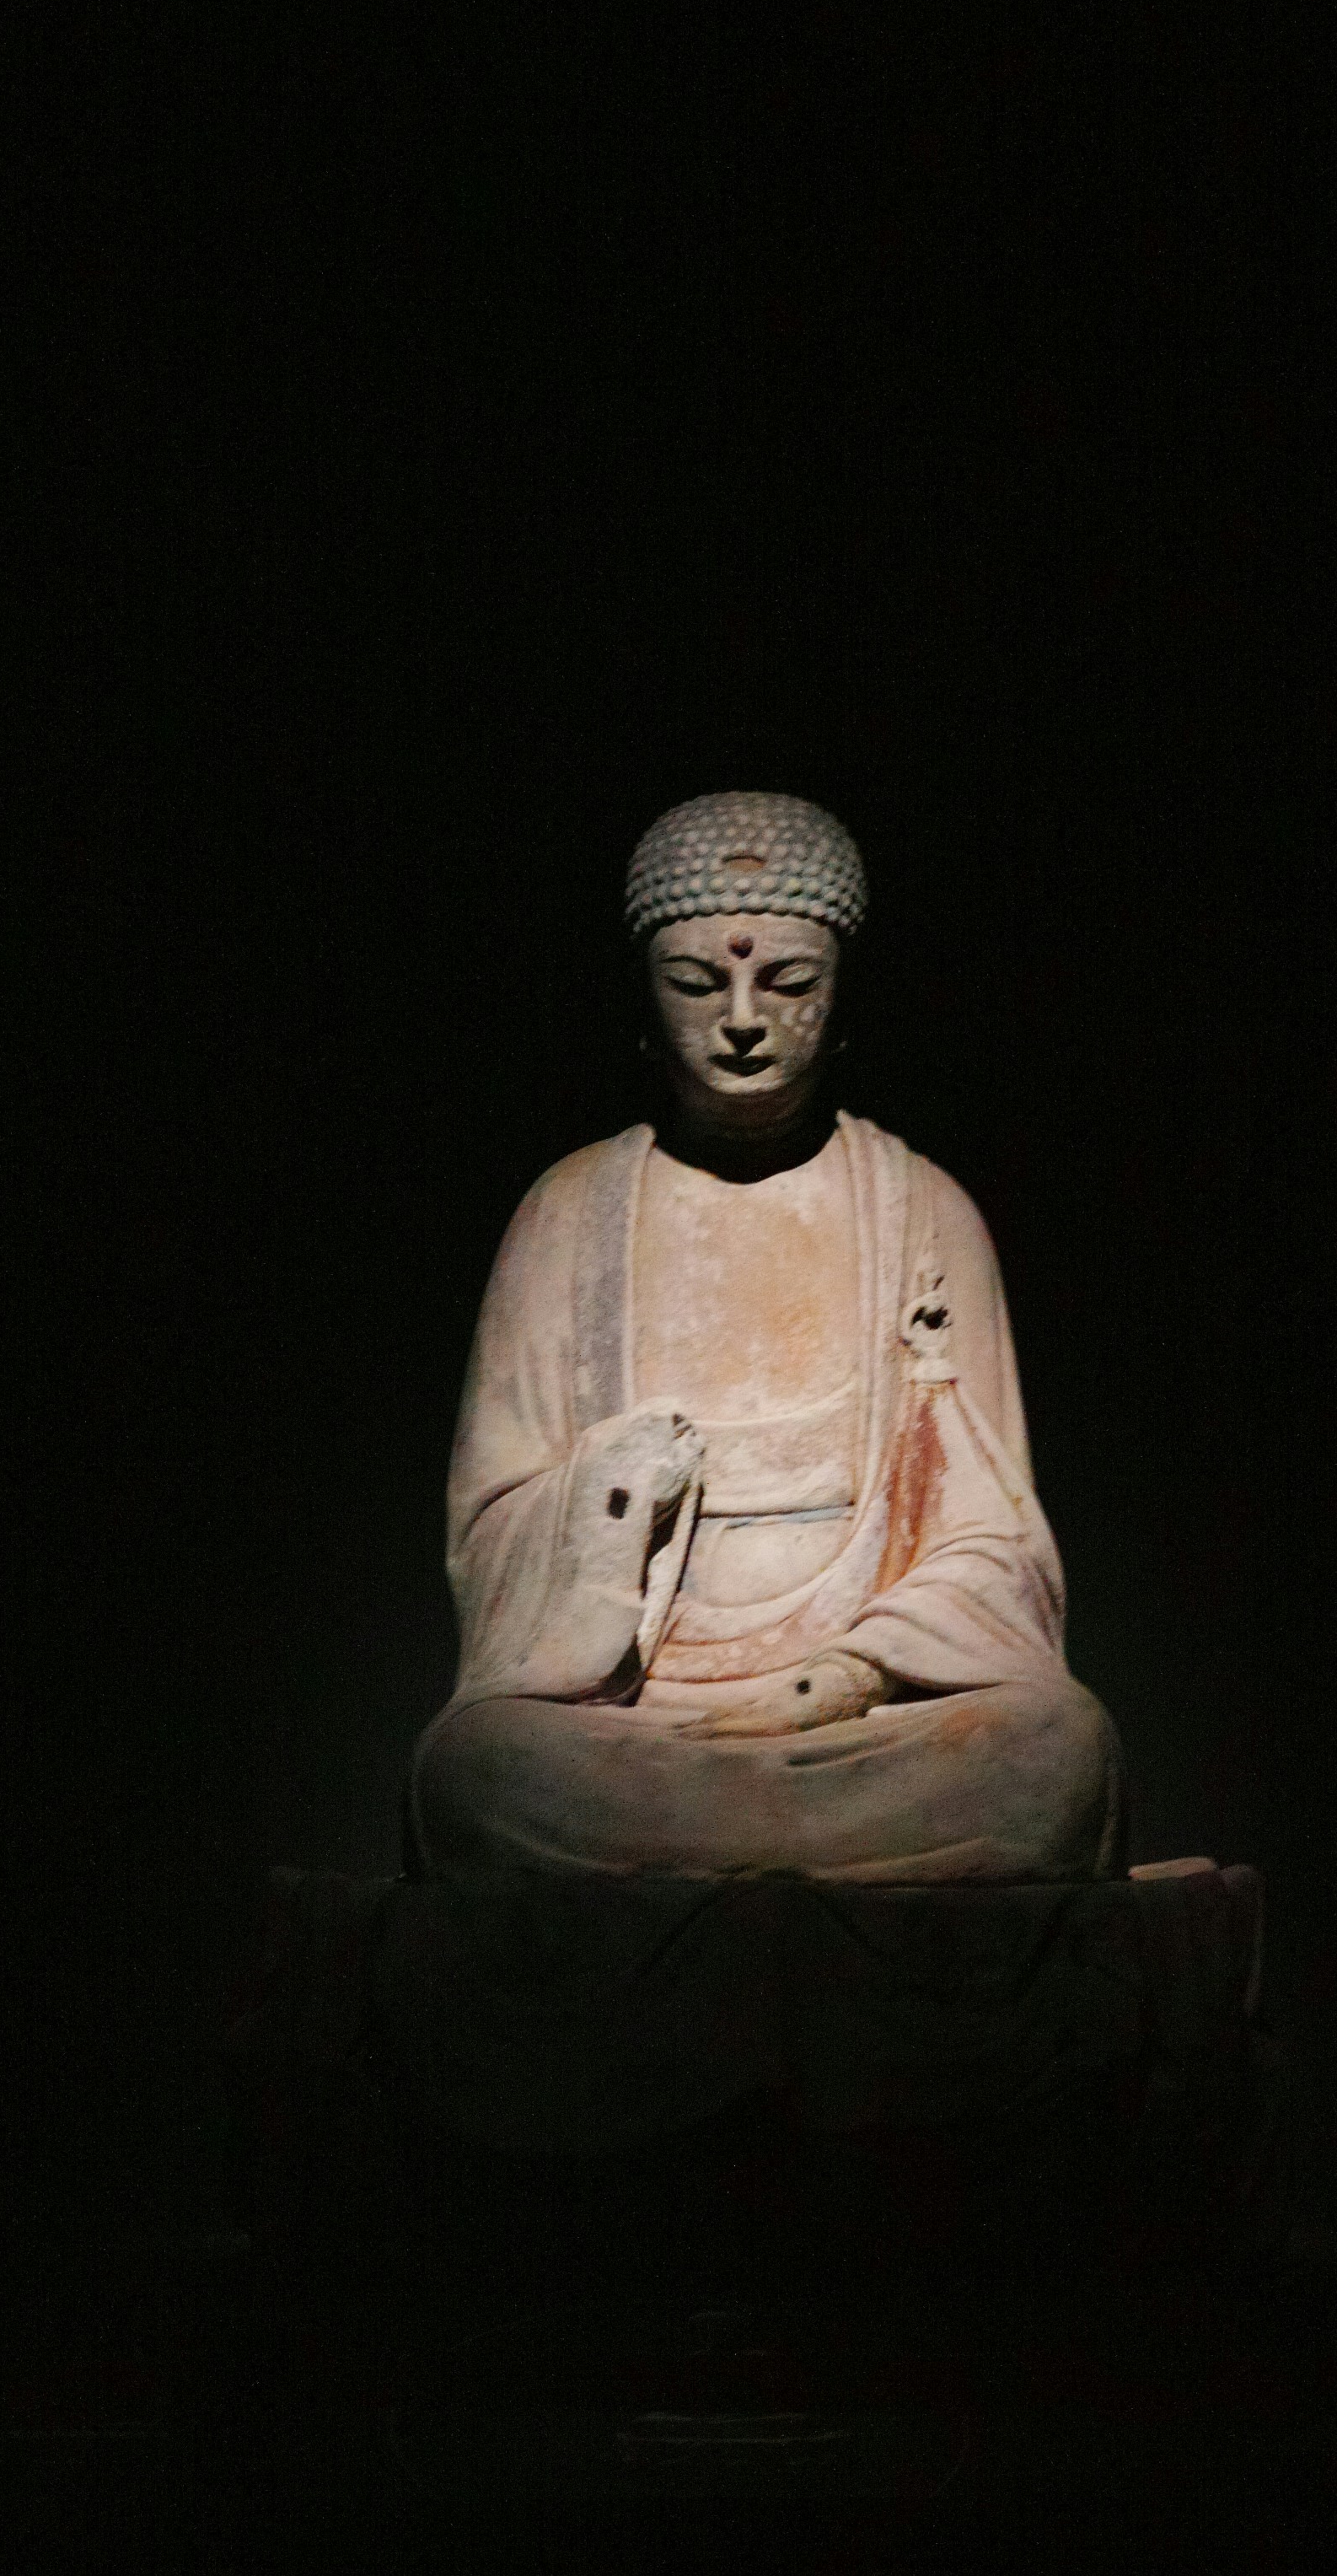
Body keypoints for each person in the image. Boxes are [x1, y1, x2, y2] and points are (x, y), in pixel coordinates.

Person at [409, 789, 1127, 1890]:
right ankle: (797, 1858)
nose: (744, 1016)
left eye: (788, 981)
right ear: (644, 1006)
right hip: (643, 1718)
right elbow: (489, 1528)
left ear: (843, 1003)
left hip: (860, 1707)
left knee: (1057, 1752)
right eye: (698, 982)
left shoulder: (923, 1212)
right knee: (473, 1770)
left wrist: (839, 1677)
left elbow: (994, 1542)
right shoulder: (567, 1214)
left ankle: (699, 1858)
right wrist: (603, 1497)